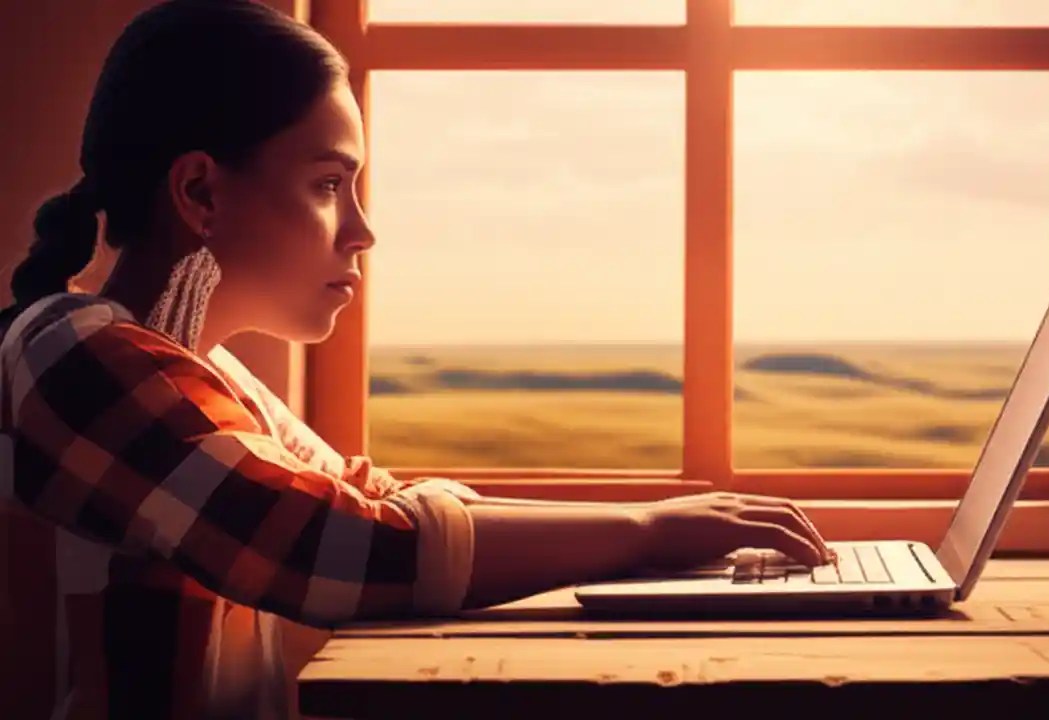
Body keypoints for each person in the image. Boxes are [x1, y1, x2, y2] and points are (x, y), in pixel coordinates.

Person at [0, 1, 831, 718]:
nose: (362, 231)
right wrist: (642, 531)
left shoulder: (203, 379)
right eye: (330, 185)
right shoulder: (72, 357)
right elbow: (336, 545)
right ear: (201, 194)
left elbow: (382, 500)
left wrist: (668, 529)